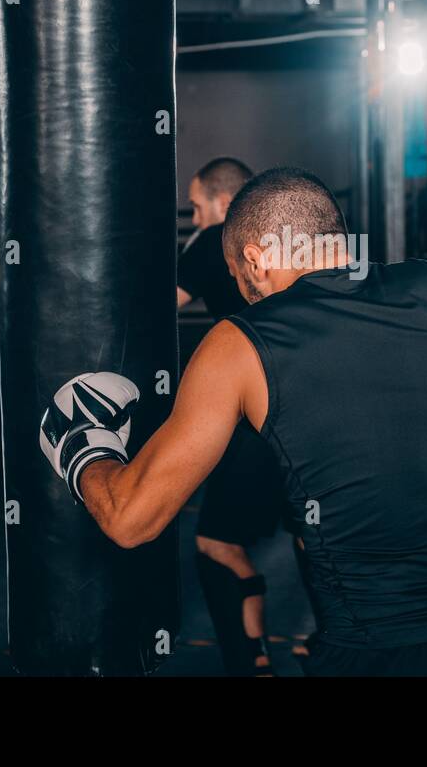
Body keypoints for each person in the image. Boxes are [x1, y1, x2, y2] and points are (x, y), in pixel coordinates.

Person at [40, 167, 427, 676]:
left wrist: (84, 450)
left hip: (378, 654)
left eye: (241, 280)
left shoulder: (239, 344)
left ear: (256, 260)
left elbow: (132, 519)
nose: (244, 295)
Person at [177, 157, 287, 676]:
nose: (195, 217)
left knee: (217, 542)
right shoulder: (290, 237)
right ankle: (335, 645)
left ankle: (251, 664)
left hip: (251, 415)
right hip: (312, 412)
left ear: (223, 204)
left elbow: (156, 307)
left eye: (197, 207)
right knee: (317, 534)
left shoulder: (211, 241)